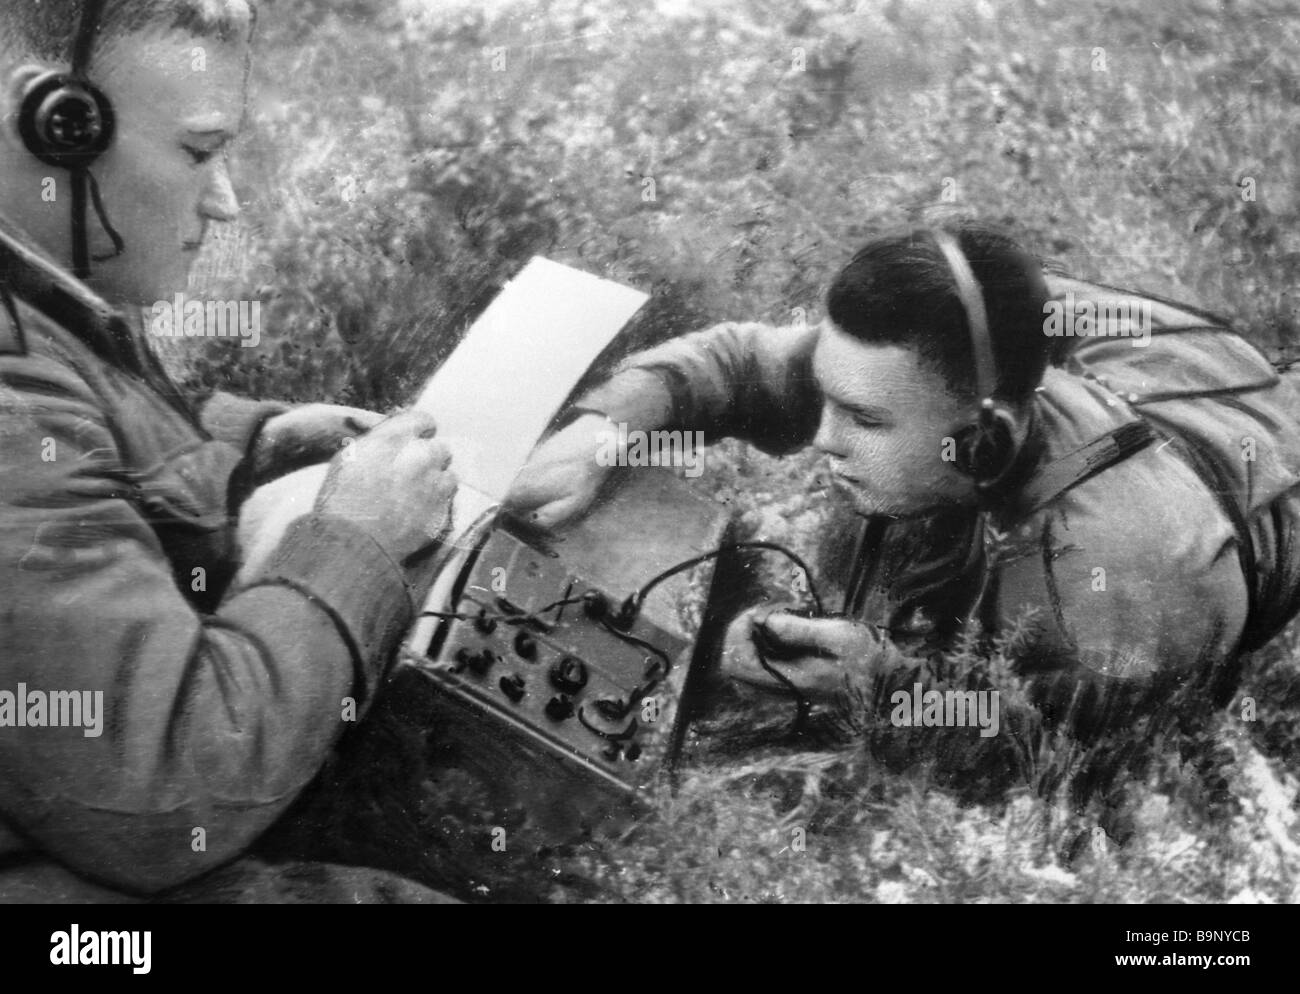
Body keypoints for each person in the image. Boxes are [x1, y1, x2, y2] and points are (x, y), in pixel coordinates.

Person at [507, 220, 1300, 799]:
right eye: (830, 398)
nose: (820, 438)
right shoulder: (933, 372)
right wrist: (607, 433)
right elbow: (742, 361)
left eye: (865, 421)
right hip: (1116, 351)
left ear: (985, 442)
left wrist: (886, 689)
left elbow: (1065, 770)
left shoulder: (1127, 587)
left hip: (1233, 449)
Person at [0, 0, 457, 901]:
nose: (226, 200)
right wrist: (354, 548)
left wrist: (255, 443)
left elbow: (99, 437)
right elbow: (169, 790)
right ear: (57, 124)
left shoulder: (44, 296)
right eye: (200, 152)